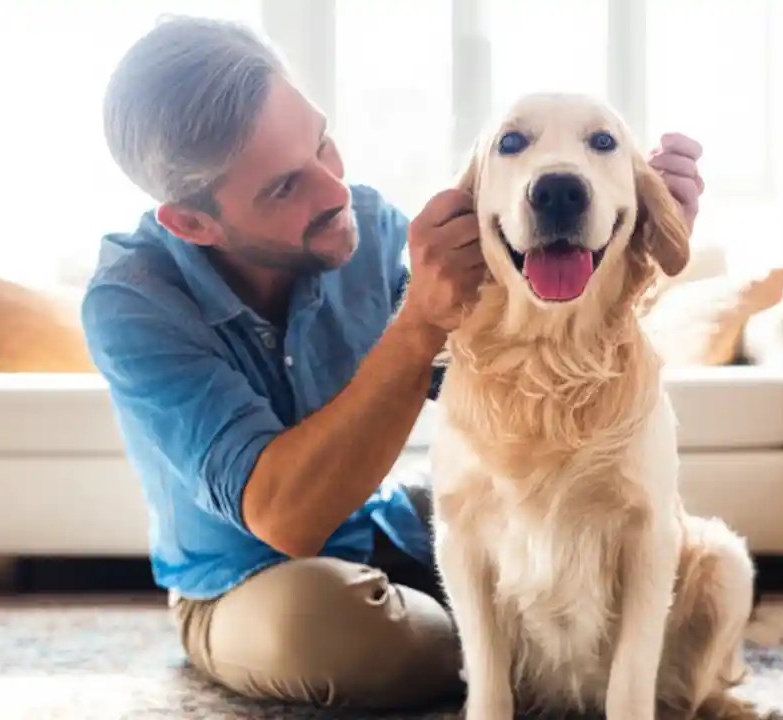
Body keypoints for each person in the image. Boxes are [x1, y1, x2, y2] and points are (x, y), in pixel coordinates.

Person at [83, 14, 707, 713]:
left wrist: (620, 242)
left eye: (322, 142)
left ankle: (522, 651)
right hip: (247, 582)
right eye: (285, 188)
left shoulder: (369, 225)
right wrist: (420, 322)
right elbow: (285, 516)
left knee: (527, 530)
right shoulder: (132, 305)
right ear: (192, 223)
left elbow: (500, 362)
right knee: (344, 636)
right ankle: (483, 656)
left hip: (384, 529)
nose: (333, 192)